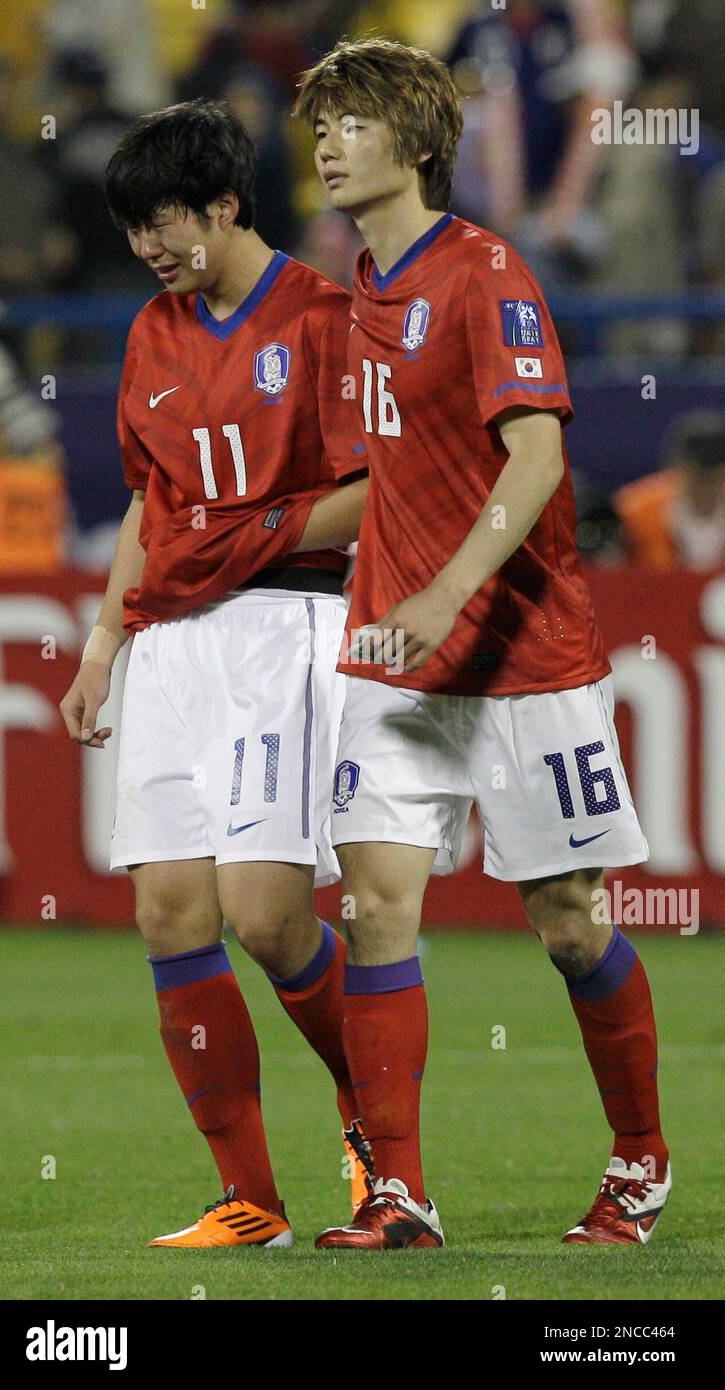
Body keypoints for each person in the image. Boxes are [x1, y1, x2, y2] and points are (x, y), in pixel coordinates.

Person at [291, 37, 670, 1249]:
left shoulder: (488, 274)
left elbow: (537, 456)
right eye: (316, 127)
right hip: (394, 652)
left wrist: (450, 590)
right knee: (376, 908)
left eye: (346, 122)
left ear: (411, 141)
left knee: (566, 919)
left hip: (518, 644)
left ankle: (639, 1161)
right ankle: (399, 1194)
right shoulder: (360, 287)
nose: (325, 143)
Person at [59, 99, 372, 1249]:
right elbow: (152, 500)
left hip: (280, 627)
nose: (147, 245)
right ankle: (251, 1199)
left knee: (267, 916)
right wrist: (103, 647)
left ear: (226, 204)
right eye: (133, 225)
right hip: (172, 642)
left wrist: (252, 533)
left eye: (164, 220)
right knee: (166, 913)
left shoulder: (326, 318)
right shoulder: (153, 331)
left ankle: (373, 1120)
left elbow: (376, 485)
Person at [614, 412, 725, 569]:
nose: (705, 484)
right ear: (677, 467)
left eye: (714, 476)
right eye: (697, 475)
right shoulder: (634, 511)